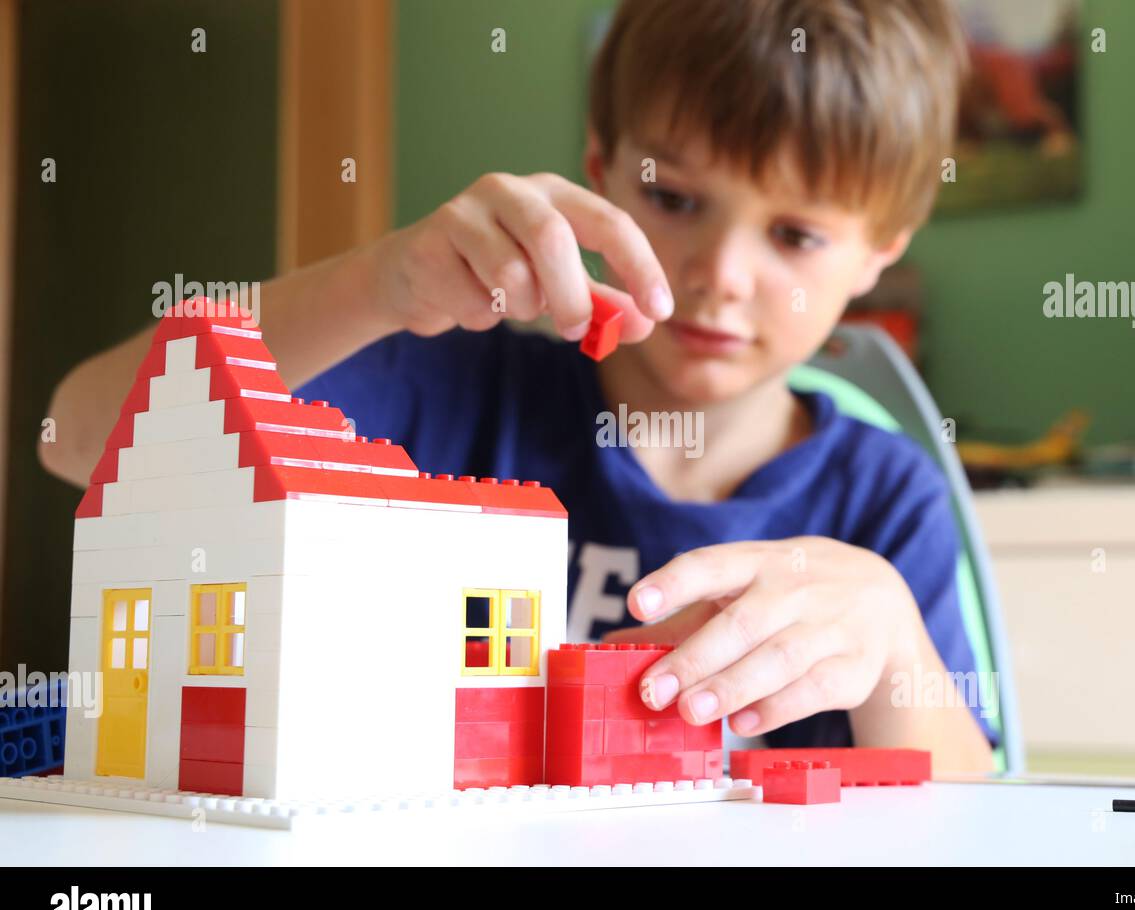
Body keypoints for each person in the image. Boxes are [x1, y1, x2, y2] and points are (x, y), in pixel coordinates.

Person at [42, 0, 995, 772]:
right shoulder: (451, 384)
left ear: (881, 250)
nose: (720, 273)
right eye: (673, 198)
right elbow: (76, 440)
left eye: (795, 234)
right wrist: (374, 284)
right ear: (600, 169)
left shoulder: (883, 503)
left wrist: (894, 648)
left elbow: (972, 822)